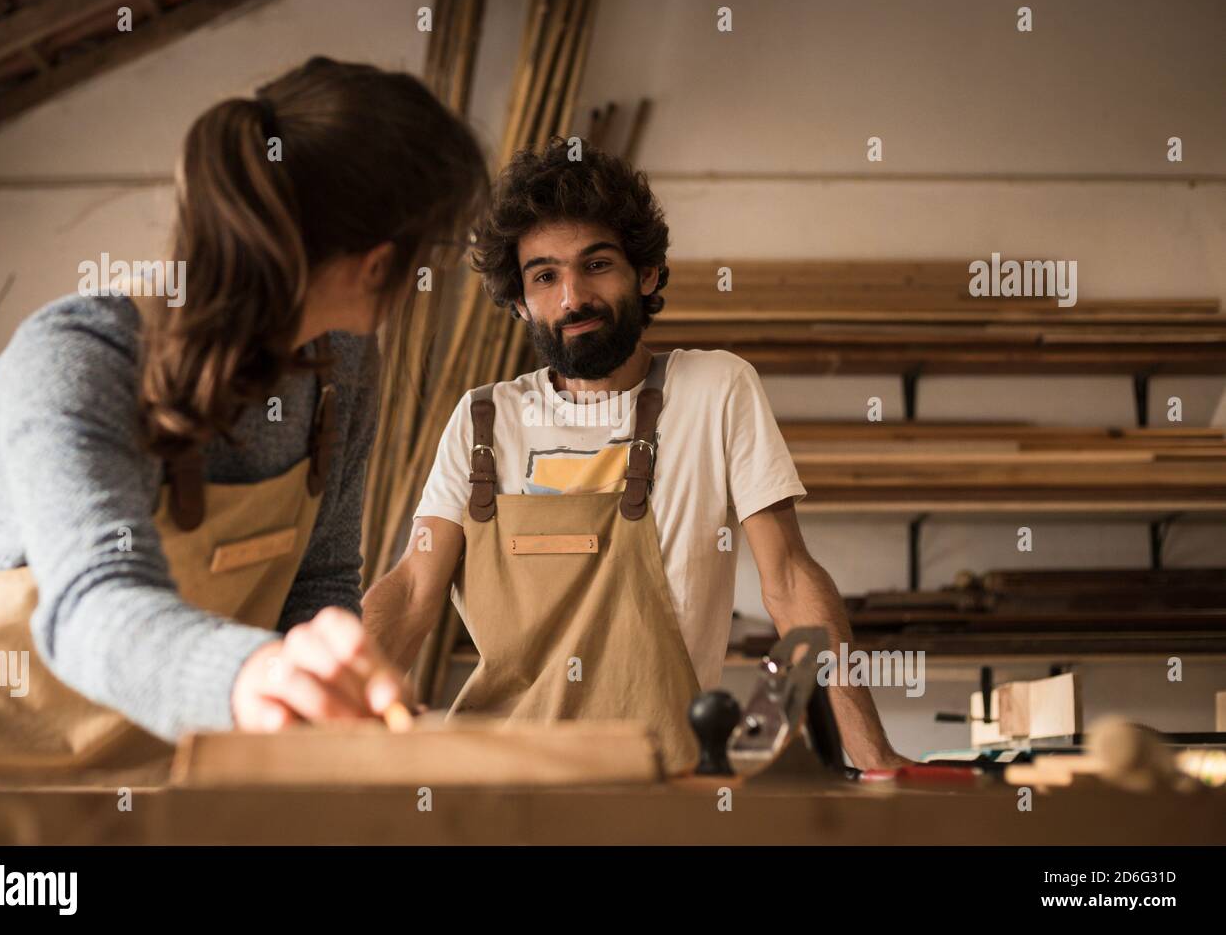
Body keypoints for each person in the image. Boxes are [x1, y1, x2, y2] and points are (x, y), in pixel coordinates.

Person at [0, 57, 488, 784]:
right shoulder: (76, 360)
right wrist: (251, 675)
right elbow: (91, 608)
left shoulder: (342, 363)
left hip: (181, 785)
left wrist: (329, 717)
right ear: (380, 264)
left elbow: (317, 582)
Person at [363, 139, 909, 773]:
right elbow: (410, 593)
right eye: (544, 276)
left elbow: (788, 580)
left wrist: (875, 759)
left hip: (664, 784)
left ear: (645, 273)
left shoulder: (715, 390)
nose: (573, 298)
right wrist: (321, 736)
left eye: (596, 265)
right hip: (497, 783)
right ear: (519, 300)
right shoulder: (483, 420)